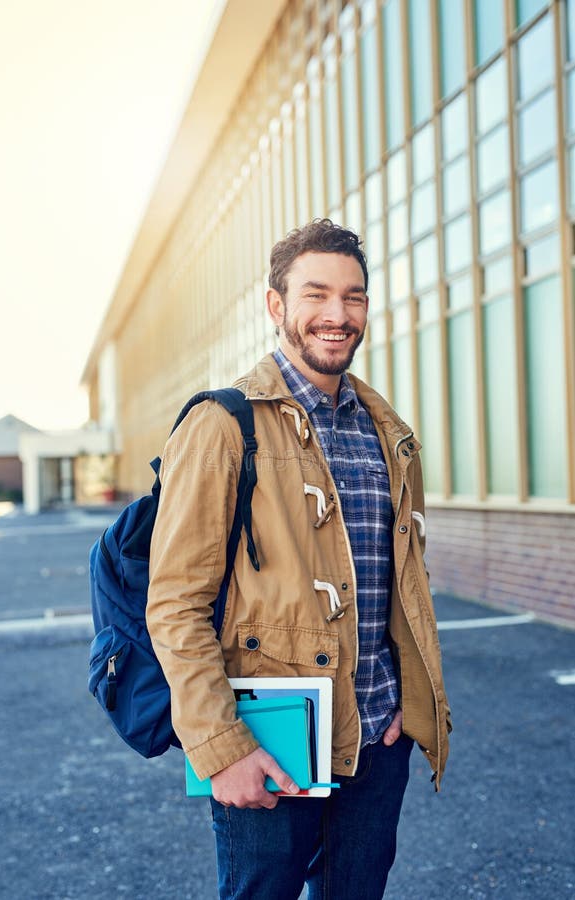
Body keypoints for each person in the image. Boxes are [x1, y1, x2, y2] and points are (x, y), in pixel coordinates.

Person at [147, 219, 451, 900]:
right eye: (315, 295)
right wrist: (219, 746)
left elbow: (402, 581)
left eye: (354, 297)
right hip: (270, 740)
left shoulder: (387, 433)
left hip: (377, 739)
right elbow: (174, 603)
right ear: (276, 305)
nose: (337, 315)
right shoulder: (224, 426)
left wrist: (407, 704)